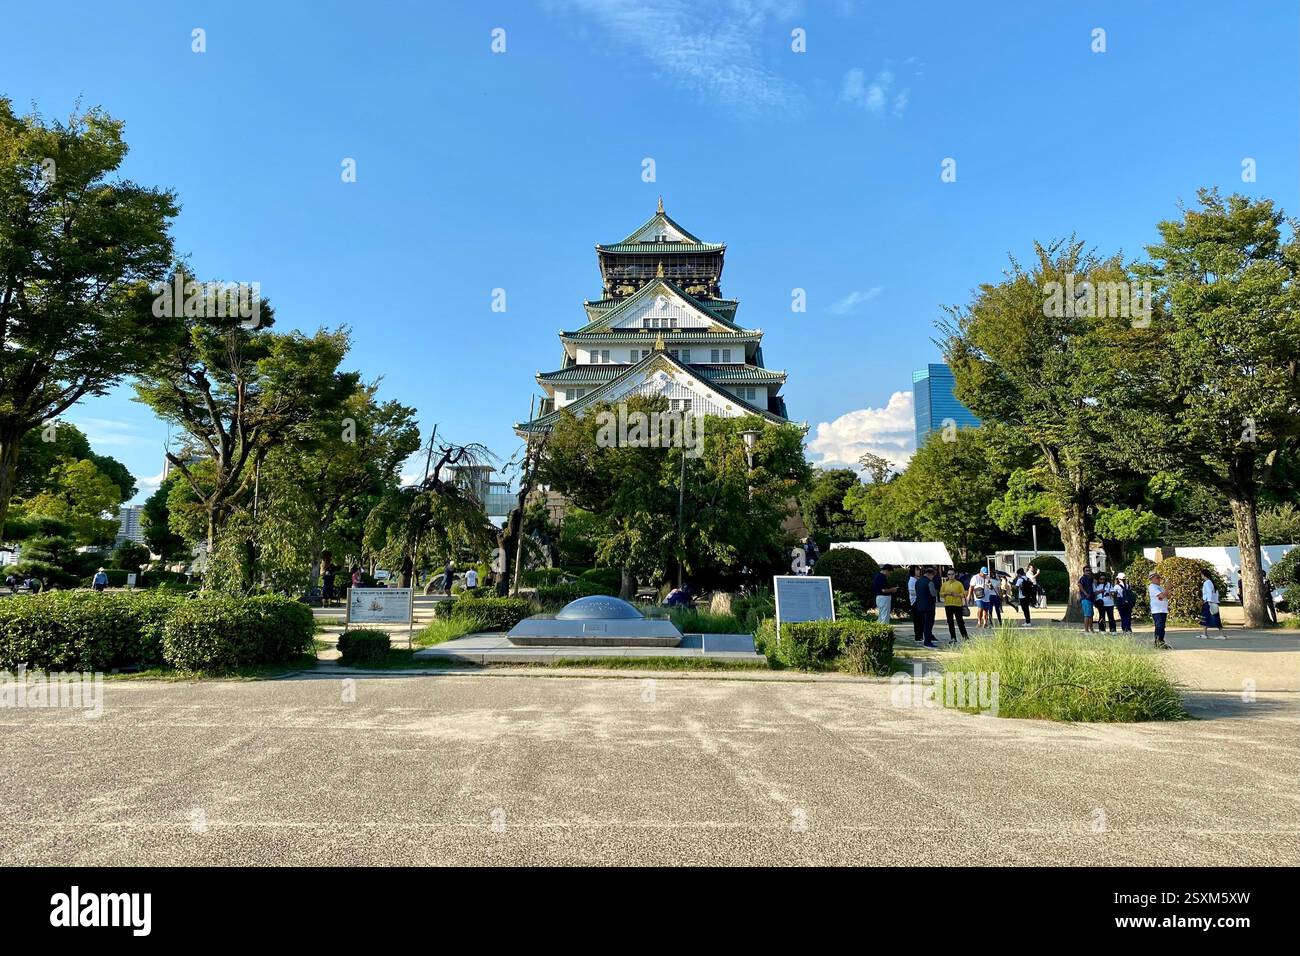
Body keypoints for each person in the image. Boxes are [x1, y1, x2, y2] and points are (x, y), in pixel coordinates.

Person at [939, 569, 969, 644]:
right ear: (947, 575)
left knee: (960, 622)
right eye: (949, 574)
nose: (950, 576)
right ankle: (953, 637)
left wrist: (958, 595)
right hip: (948, 605)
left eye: (952, 574)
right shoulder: (945, 584)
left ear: (954, 575)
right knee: (950, 622)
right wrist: (946, 593)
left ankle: (965, 637)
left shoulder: (959, 584)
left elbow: (964, 593)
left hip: (957, 605)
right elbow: (941, 593)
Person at [914, 567, 939, 648]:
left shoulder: (918, 581)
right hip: (929, 606)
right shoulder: (929, 582)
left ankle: (922, 637)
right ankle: (927, 641)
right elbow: (933, 594)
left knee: (922, 623)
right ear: (930, 574)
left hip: (920, 605)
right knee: (928, 624)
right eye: (933, 576)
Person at [1199, 568, 1225, 639]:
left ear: (1204, 575)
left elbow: (1209, 592)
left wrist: (1209, 601)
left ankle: (1220, 635)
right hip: (1212, 602)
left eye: (1201, 575)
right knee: (1208, 618)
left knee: (1208, 618)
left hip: (1208, 602)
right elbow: (1216, 593)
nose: (1201, 576)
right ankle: (1205, 634)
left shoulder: (1206, 582)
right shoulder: (1211, 582)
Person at [1148, 571, 1171, 648]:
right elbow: (1161, 596)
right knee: (1159, 626)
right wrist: (1167, 588)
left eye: (1159, 577)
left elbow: (1168, 596)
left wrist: (1167, 590)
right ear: (1152, 579)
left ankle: (1161, 641)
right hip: (1157, 610)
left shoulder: (1160, 587)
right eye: (1157, 578)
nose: (1159, 579)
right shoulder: (1152, 587)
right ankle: (1157, 642)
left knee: (1162, 627)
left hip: (1163, 609)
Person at [907, 565, 922, 644]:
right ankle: (918, 636)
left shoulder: (918, 579)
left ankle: (920, 635)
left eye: (918, 570)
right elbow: (912, 592)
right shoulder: (912, 580)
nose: (918, 571)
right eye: (916, 570)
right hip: (915, 601)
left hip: (919, 601)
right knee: (917, 620)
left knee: (920, 619)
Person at [1078, 567, 1096, 633]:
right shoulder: (1082, 578)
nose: (1088, 571)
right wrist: (1085, 593)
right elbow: (1079, 585)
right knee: (1087, 615)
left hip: (1091, 599)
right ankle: (1086, 630)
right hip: (1085, 599)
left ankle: (1091, 628)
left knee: (1091, 614)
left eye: (1089, 570)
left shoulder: (1090, 578)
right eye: (1086, 570)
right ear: (1084, 571)